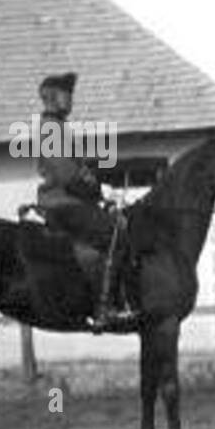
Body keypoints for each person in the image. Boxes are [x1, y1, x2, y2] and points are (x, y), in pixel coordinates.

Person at [33, 73, 137, 332]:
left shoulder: (59, 127)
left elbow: (79, 171)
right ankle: (105, 307)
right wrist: (100, 191)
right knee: (117, 233)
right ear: (53, 97)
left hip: (72, 201)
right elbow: (67, 175)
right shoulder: (51, 128)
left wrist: (102, 192)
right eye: (67, 94)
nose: (71, 100)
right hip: (63, 203)